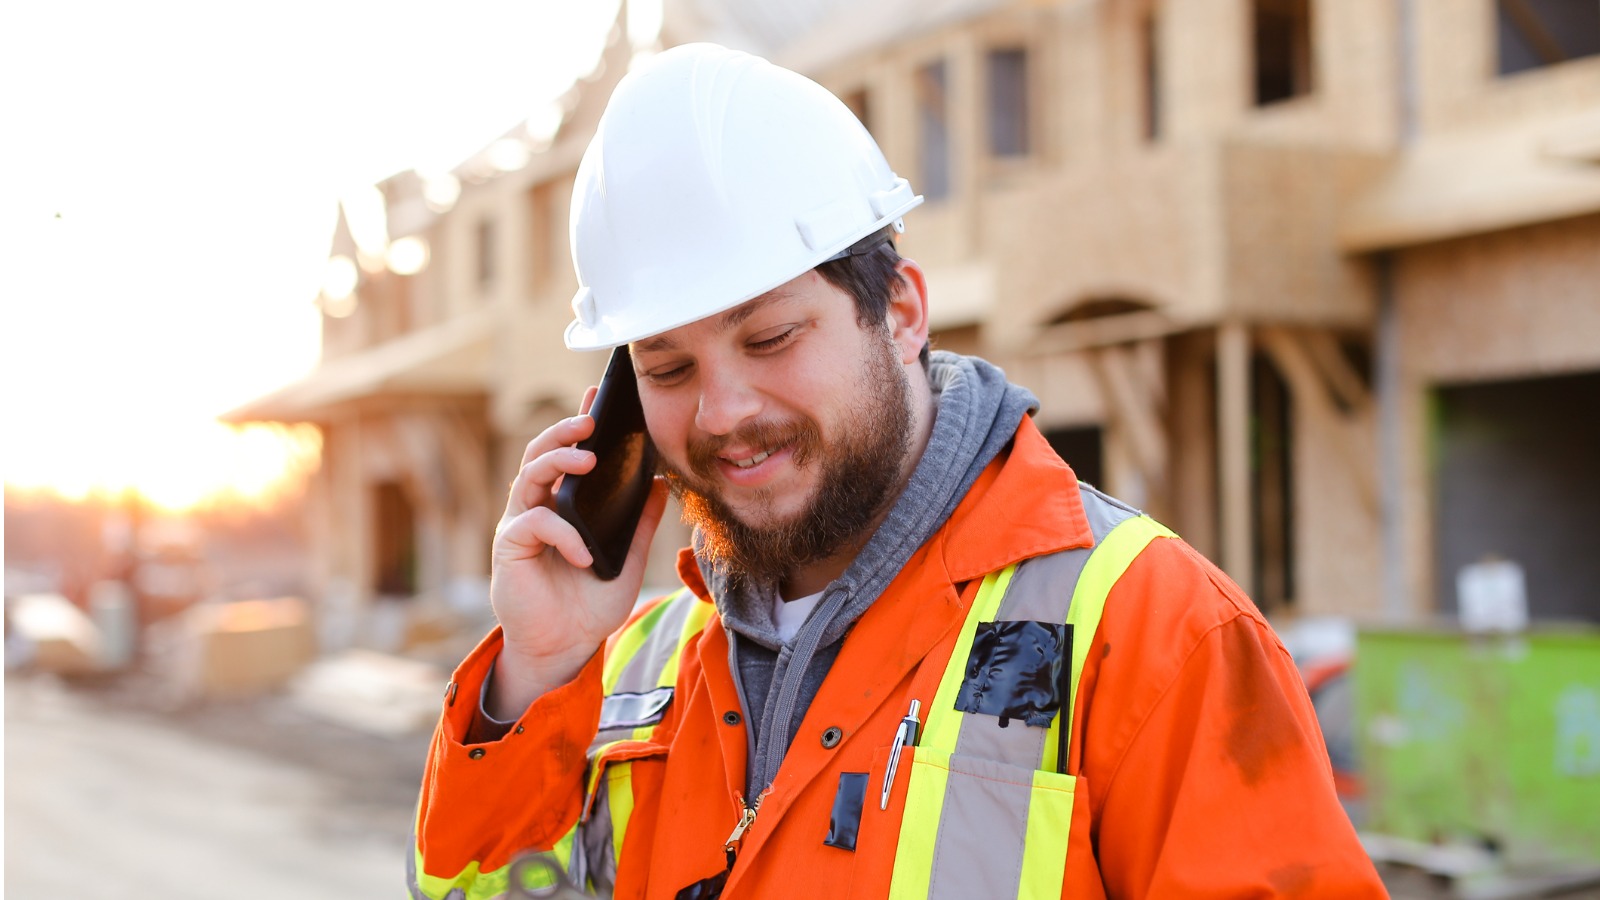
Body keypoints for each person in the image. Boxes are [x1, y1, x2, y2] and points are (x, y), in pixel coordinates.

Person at [409, 43, 1387, 899]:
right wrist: (536, 677)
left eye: (772, 336)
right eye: (666, 369)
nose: (723, 413)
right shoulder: (624, 661)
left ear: (904, 312)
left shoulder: (1150, 635)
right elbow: (471, 888)